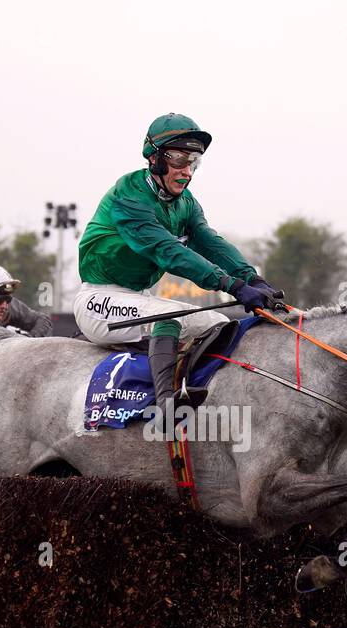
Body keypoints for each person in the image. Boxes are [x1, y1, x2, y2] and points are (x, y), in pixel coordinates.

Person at [75, 113, 280, 414]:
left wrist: (252, 278)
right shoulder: (129, 195)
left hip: (137, 299)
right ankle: (166, 407)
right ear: (155, 159)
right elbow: (168, 251)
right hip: (97, 299)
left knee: (221, 325)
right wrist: (230, 285)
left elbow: (210, 243)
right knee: (169, 315)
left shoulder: (186, 204)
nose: (187, 172)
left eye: (193, 162)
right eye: (180, 161)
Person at [0, 263, 52, 344]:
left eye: (8, 299)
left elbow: (42, 320)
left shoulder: (9, 307)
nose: (4, 306)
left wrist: (29, 341)